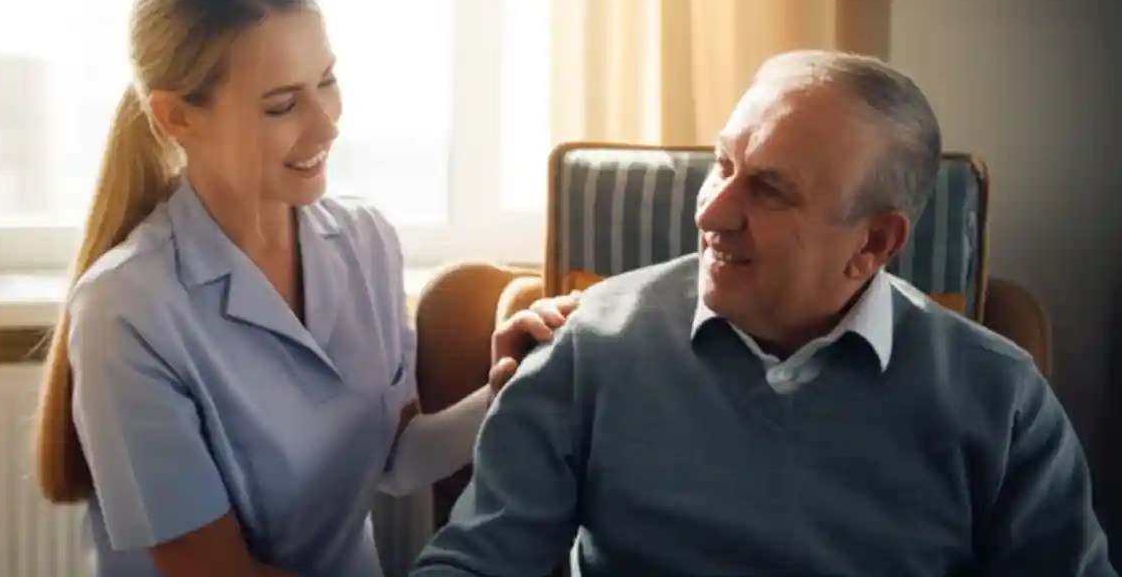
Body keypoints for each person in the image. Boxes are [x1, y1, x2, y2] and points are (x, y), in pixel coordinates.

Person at [412, 50, 1116, 576]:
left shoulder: (999, 396)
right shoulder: (588, 343)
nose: (713, 212)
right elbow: (478, 563)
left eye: (769, 190)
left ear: (874, 241)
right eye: (722, 165)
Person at [31, 0, 575, 577]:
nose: (326, 127)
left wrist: (509, 387)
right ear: (177, 116)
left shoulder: (365, 240)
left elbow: (396, 456)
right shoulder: (126, 307)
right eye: (283, 105)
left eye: (327, 82)